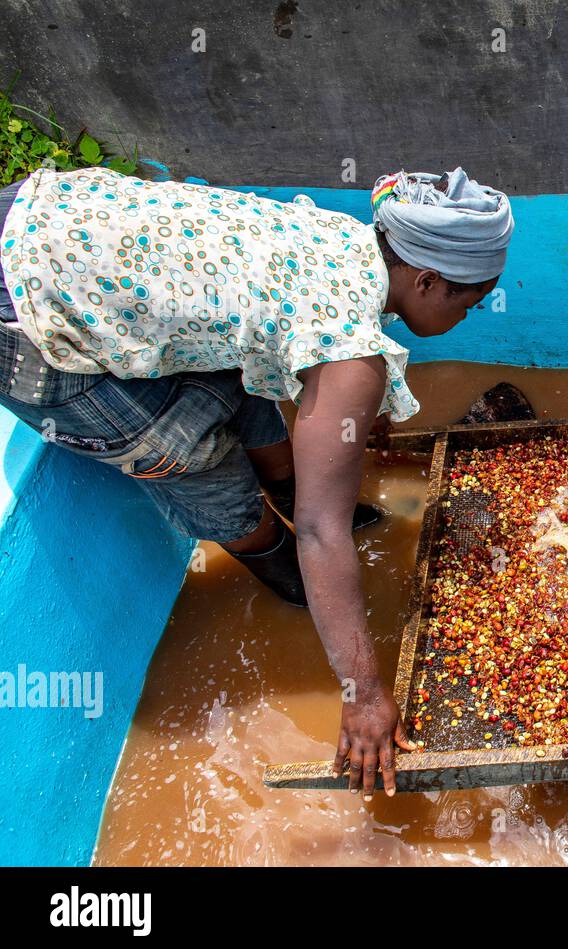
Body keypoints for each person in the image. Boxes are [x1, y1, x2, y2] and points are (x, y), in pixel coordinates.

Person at [0, 165, 512, 799]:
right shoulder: (351, 355)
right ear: (428, 280)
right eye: (469, 300)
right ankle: (272, 557)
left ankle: (292, 488)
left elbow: (288, 336)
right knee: (191, 456)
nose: (469, 316)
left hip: (49, 220)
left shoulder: (343, 237)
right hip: (32, 312)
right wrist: (364, 695)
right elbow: (324, 536)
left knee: (235, 382)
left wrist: (363, 414)